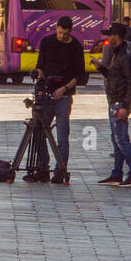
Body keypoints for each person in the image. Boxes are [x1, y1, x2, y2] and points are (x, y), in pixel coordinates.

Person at [30, 15, 86, 184]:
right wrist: (37, 74)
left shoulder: (75, 46)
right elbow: (41, 66)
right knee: (39, 130)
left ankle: (60, 170)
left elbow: (80, 76)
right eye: (59, 32)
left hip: (64, 96)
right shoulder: (47, 42)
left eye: (65, 33)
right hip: (47, 94)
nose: (61, 36)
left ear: (70, 31)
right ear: (56, 28)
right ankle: (43, 168)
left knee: (62, 136)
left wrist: (64, 89)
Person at [98, 21, 131, 188]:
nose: (108, 38)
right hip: (114, 100)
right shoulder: (118, 53)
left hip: (119, 102)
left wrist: (125, 105)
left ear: (117, 36)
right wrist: (99, 67)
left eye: (110, 35)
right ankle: (116, 173)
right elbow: (113, 76)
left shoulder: (126, 56)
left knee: (121, 139)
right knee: (116, 138)